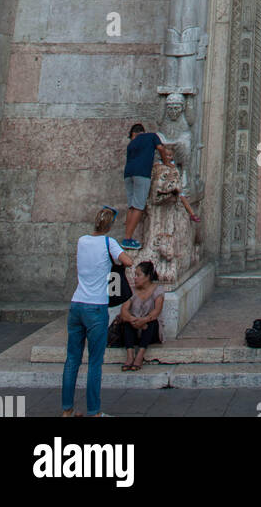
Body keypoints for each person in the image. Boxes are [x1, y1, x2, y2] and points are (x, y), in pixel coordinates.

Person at [61, 206, 132, 418]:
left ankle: (67, 410)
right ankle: (94, 411)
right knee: (94, 362)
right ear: (110, 225)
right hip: (96, 306)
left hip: (77, 304)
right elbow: (127, 261)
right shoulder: (109, 242)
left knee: (72, 359)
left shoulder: (82, 241)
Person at [123, 122, 172, 248]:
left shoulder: (131, 144)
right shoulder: (151, 136)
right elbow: (161, 148)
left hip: (128, 175)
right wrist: (166, 162)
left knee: (131, 206)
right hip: (142, 173)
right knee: (139, 206)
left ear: (133, 134)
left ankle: (126, 237)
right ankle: (128, 239)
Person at [120, 260, 164, 371]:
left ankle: (139, 356)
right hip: (135, 326)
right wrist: (133, 320)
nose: (135, 278)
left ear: (147, 277)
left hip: (149, 329)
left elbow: (156, 311)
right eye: (135, 275)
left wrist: (144, 321)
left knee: (152, 322)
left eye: (138, 275)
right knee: (126, 323)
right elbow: (124, 311)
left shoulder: (157, 290)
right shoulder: (131, 290)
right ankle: (130, 357)